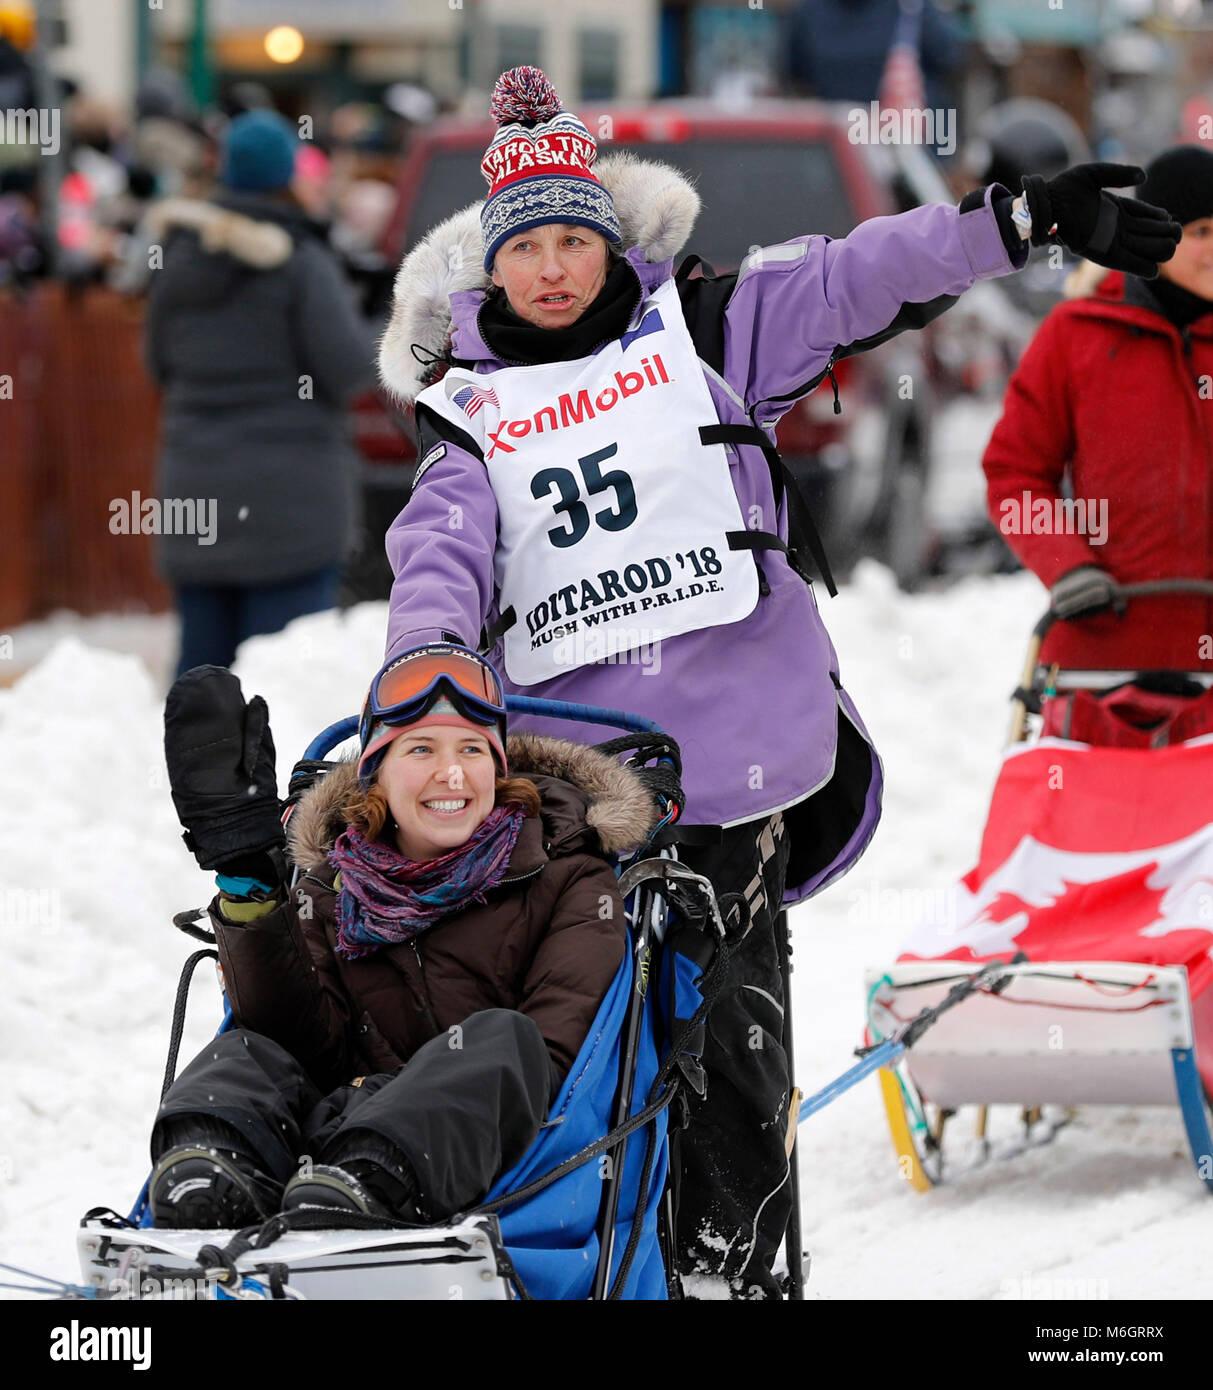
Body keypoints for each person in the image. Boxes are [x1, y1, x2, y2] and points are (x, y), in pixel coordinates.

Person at [375, 65, 1180, 1296]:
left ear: (608, 242)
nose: (549, 270)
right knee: (578, 1034)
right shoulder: (469, 407)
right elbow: (437, 551)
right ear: (490, 269)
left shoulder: (705, 331)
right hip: (565, 774)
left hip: (728, 756)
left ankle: (732, 1269)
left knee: (730, 1028)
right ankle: (583, 1254)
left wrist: (1020, 220)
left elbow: (862, 273)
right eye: (523, 247)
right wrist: (426, 667)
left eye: (569, 241)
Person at [150, 646, 652, 1228]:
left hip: (492, 1160)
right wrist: (249, 883)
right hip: (322, 1157)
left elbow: (559, 1065)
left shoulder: (570, 876)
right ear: (375, 776)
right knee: (247, 1047)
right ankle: (209, 1168)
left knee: (502, 1040)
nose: (454, 773)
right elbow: (301, 1047)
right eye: (421, 749)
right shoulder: (331, 887)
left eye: (472, 749)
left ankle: (373, 1175)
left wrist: (382, 1116)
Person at [983, 144, 1213, 736]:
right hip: (1098, 656)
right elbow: (1015, 473)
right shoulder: (1076, 334)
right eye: (1204, 232)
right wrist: (1066, 566)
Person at [144, 109, 376, 678]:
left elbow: (157, 365)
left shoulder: (179, 257)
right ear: (287, 175)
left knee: (202, 683)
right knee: (284, 682)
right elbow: (349, 366)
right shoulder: (302, 262)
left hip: (195, 497)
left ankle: (189, 770)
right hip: (290, 508)